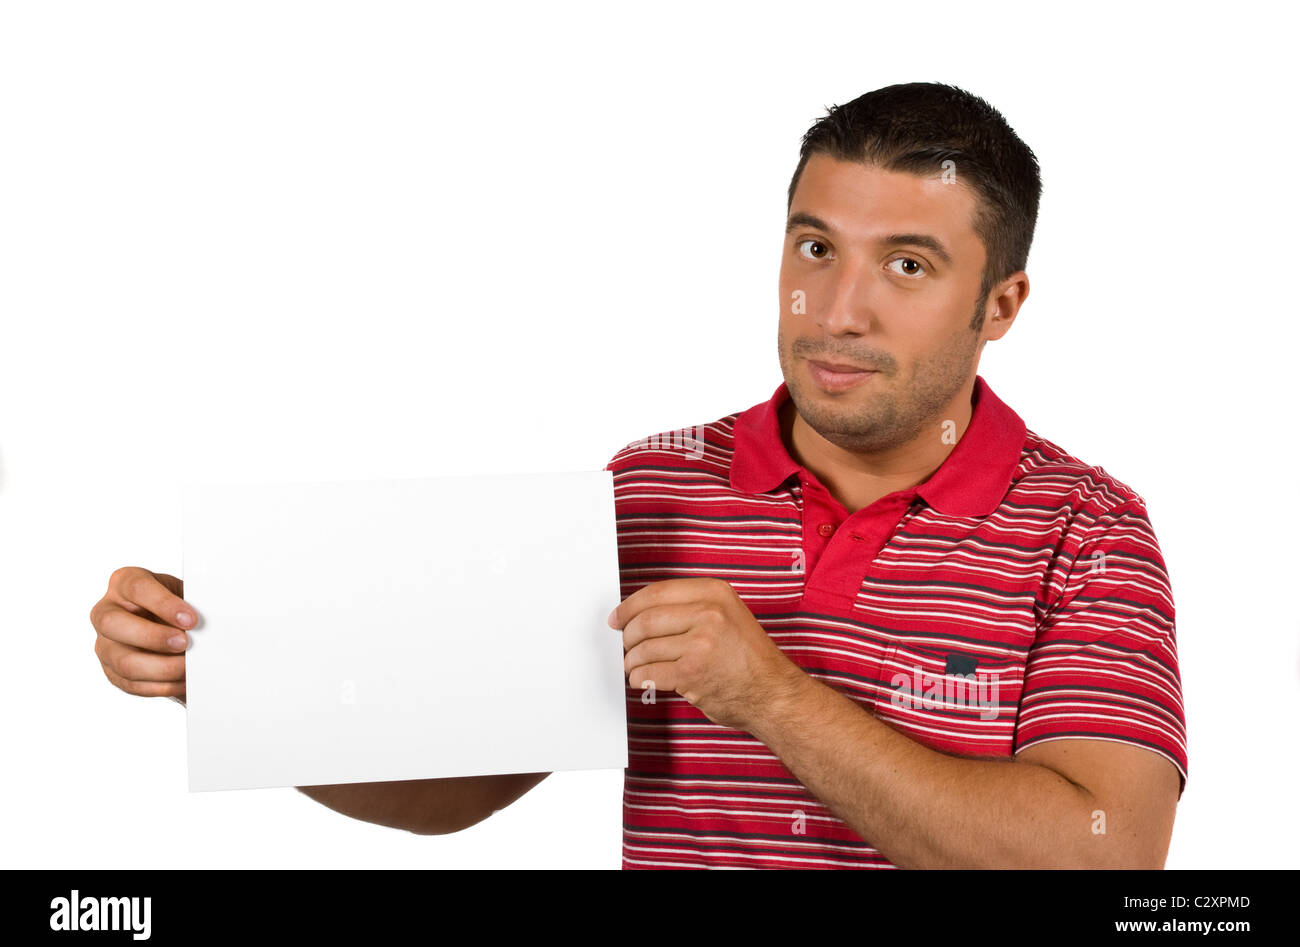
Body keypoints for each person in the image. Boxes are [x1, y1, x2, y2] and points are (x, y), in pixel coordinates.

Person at [91, 81, 1185, 868]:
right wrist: (231, 677)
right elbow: (456, 791)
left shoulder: (1087, 532)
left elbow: (1103, 859)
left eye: (907, 264)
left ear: (1000, 305)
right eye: (814, 249)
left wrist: (767, 695)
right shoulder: (652, 490)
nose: (837, 310)